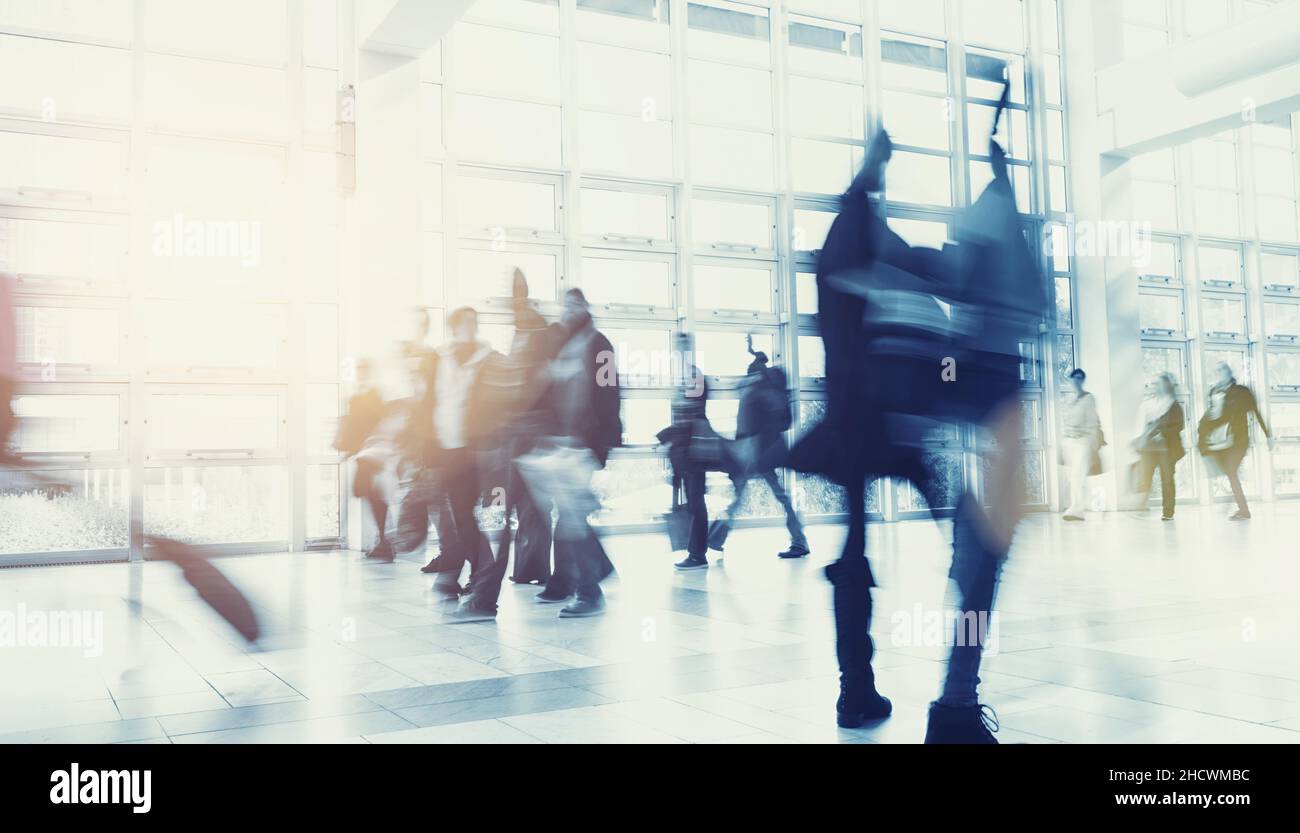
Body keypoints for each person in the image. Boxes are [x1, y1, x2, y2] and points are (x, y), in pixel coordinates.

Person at [519, 288, 622, 618]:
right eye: (566, 305)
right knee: (567, 515)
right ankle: (571, 579)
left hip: (585, 444)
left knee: (571, 517)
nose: (568, 310)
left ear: (585, 307)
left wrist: (602, 442)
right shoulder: (564, 344)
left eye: (575, 305)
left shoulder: (599, 345)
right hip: (563, 443)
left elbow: (609, 391)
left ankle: (588, 588)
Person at [420, 306, 506, 604]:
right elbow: (429, 403)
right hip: (446, 449)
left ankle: (477, 576)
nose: (469, 328)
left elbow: (497, 405)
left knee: (466, 517)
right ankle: (467, 574)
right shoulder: (439, 359)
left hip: (474, 450)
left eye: (473, 323)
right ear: (454, 327)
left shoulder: (489, 359)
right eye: (463, 323)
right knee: (459, 517)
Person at [707, 341, 808, 559]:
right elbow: (783, 423)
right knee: (780, 496)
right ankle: (799, 539)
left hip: (755, 452)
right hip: (768, 449)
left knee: (742, 494)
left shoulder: (753, 392)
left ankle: (716, 537)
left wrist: (740, 450)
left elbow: (745, 426)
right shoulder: (773, 390)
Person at [497, 269, 561, 586]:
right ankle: (528, 568)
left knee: (534, 500)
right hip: (522, 427)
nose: (512, 309)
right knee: (526, 500)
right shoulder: (523, 331)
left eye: (514, 298)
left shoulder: (535, 331)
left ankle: (538, 568)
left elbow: (538, 379)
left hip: (533, 429)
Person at [662, 331, 716, 571]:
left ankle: (697, 553)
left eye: (683, 346)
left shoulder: (693, 375)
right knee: (694, 499)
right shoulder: (684, 377)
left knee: (695, 500)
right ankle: (695, 551)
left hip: (691, 448)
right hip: (686, 448)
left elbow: (691, 413)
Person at [335, 359, 396, 560]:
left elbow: (368, 423)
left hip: (372, 450)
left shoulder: (372, 396)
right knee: (366, 491)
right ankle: (384, 539)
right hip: (366, 451)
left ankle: (385, 541)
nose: (360, 374)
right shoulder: (361, 396)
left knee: (364, 490)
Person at [1198, 362, 1271, 520]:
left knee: (1231, 472)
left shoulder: (1242, 392)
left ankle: (1242, 509)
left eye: (1223, 369)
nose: (1220, 373)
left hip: (1238, 439)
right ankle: (1238, 504)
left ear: (1229, 372)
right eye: (1217, 370)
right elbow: (1212, 415)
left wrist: (1268, 434)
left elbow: (1256, 412)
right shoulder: (1214, 391)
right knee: (1227, 472)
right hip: (1220, 439)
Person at [1131, 372, 1185, 521]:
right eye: (1153, 384)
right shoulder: (1149, 403)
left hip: (1166, 449)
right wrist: (1138, 439)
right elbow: (1142, 426)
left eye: (1158, 383)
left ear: (1165, 385)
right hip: (1149, 449)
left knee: (1167, 480)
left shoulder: (1173, 404)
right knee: (1144, 478)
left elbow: (1179, 425)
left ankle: (1168, 512)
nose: (1155, 386)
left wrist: (1163, 433)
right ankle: (1140, 506)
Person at [1060, 368, 1102, 521]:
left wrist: (1092, 446)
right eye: (1074, 378)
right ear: (1070, 380)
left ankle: (1077, 509)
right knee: (1074, 477)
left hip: (1083, 442)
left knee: (1078, 476)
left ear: (1083, 380)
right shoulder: (1073, 401)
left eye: (1079, 378)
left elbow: (1092, 422)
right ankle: (1075, 508)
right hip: (1071, 442)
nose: (1076, 381)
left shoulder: (1088, 398)